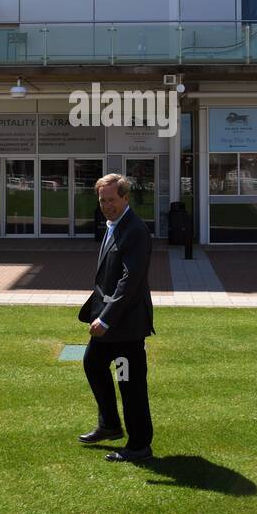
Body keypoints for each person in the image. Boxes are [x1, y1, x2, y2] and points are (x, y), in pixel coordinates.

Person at [76, 173, 155, 462]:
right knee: (93, 364)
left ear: (125, 198)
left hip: (126, 327)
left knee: (130, 384)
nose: (106, 205)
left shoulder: (135, 230)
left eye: (111, 199)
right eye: (102, 200)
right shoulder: (114, 225)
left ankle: (139, 446)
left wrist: (106, 319)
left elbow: (130, 279)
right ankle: (109, 425)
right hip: (110, 324)